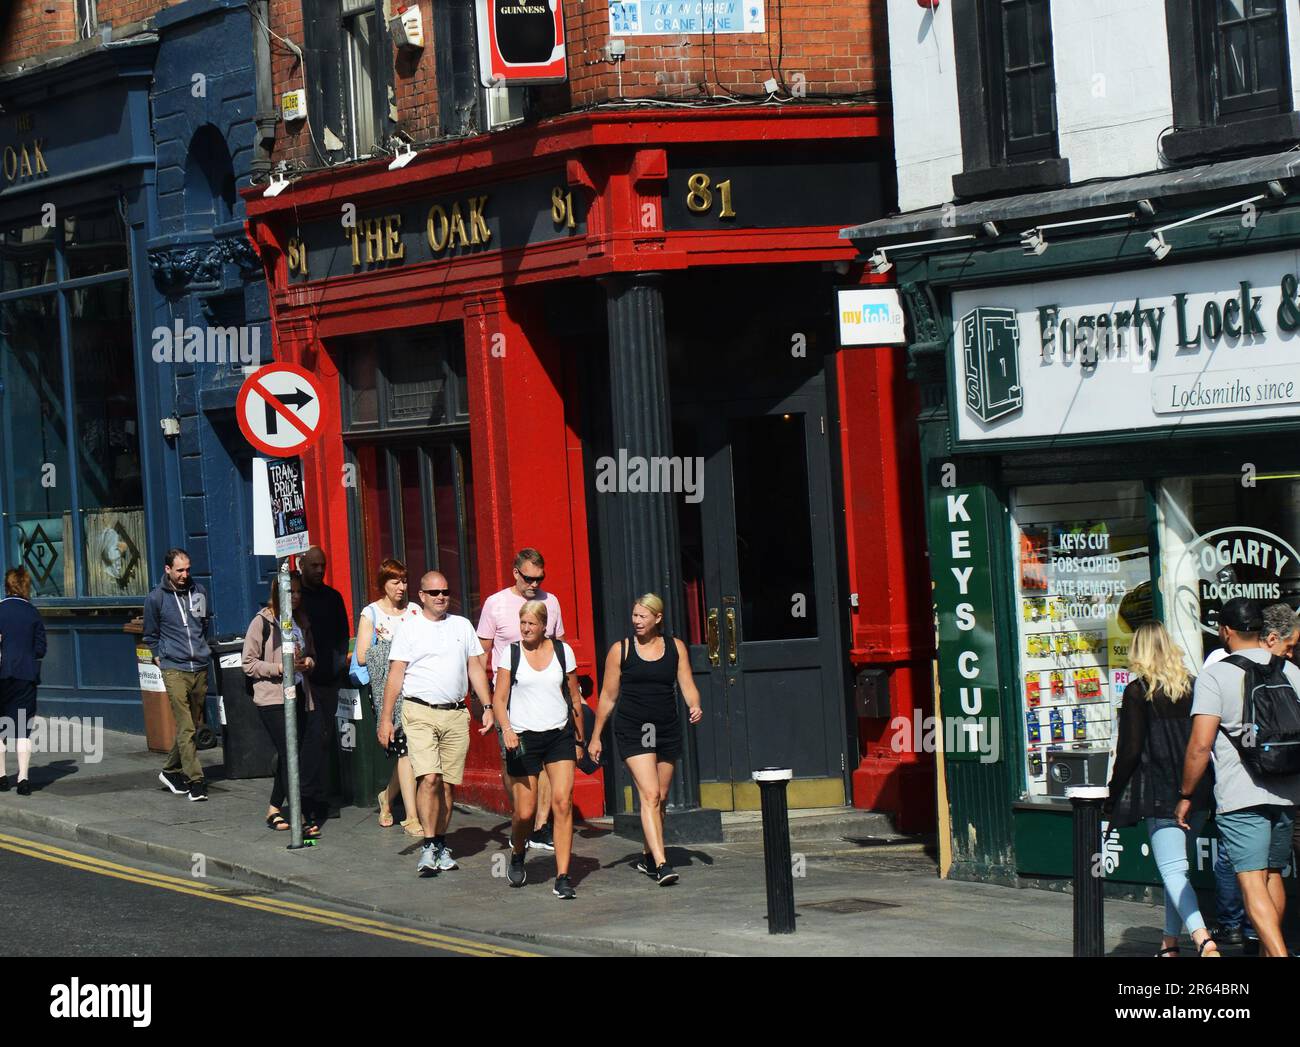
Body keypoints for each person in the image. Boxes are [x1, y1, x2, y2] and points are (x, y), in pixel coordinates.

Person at [1176, 597, 1300, 958]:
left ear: (1225, 631)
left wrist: (1186, 793)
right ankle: (1267, 952)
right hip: (1288, 790)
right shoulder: (1290, 671)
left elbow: (1200, 746)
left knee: (1250, 878)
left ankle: (1277, 955)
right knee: (1273, 873)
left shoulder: (1216, 674)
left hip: (1241, 793)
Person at [1104, 623, 1217, 957]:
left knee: (1172, 869)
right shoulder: (1195, 687)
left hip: (1160, 791)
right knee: (1178, 869)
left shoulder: (1139, 692)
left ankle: (1203, 940)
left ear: (1139, 651)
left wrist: (1113, 794)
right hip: (1197, 789)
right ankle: (1169, 943)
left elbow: (1129, 751)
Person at [379, 571, 493, 877]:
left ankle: (441, 842)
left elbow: (475, 668)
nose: (441, 596)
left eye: (445, 591)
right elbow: (396, 674)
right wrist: (386, 719)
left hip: (456, 713)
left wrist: (488, 705)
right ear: (422, 596)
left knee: (446, 784)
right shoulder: (410, 628)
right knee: (428, 778)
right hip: (420, 712)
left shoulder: (462, 625)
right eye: (434, 592)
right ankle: (429, 844)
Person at [589, 593, 703, 886]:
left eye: (642, 616)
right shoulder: (621, 650)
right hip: (633, 727)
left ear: (657, 618)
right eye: (634, 616)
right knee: (650, 795)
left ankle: (648, 857)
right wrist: (596, 736)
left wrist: (695, 705)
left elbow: (687, 684)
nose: (636, 621)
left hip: (666, 727)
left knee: (661, 798)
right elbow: (608, 696)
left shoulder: (675, 648)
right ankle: (662, 864)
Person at [493, 601, 586, 898]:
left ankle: (562, 876)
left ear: (545, 626)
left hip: (559, 734)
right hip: (522, 738)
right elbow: (499, 699)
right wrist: (506, 729)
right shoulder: (512, 653)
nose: (526, 629)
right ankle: (518, 852)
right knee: (525, 812)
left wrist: (580, 740)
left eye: (531, 624)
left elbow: (574, 697)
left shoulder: (563, 651)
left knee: (562, 803)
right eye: (522, 623)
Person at [477, 548, 566, 851]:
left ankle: (540, 826)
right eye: (528, 578)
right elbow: (483, 653)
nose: (534, 584)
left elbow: (559, 648)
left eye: (539, 578)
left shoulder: (550, 602)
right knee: (513, 757)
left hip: (544, 693)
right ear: (515, 572)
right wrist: (485, 702)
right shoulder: (496, 604)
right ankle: (523, 817)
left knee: (544, 762)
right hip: (510, 696)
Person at [242, 571, 328, 838]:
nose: (296, 597)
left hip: (301, 696)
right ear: (278, 593)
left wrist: (309, 663)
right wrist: (281, 668)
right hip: (273, 698)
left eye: (299, 592)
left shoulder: (301, 621)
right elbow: (248, 663)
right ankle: (298, 816)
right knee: (289, 753)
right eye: (290, 592)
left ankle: (273, 807)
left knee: (296, 754)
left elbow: (311, 654)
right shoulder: (263, 621)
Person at [355, 557, 422, 835]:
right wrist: (396, 650)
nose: (401, 587)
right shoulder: (371, 613)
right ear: (383, 584)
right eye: (395, 582)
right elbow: (361, 656)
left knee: (412, 751)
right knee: (405, 749)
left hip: (417, 687)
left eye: (404, 581)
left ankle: (387, 797)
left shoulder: (416, 611)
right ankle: (412, 816)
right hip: (387, 690)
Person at [142, 548, 213, 802]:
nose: (185, 575)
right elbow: (150, 633)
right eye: (180, 570)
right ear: (168, 570)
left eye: (187, 569)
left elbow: (203, 624)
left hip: (199, 667)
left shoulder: (199, 592)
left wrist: (201, 651)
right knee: (185, 726)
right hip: (174, 668)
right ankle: (196, 780)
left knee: (191, 727)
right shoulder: (156, 598)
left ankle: (170, 770)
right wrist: (160, 655)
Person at [299, 546, 350, 809]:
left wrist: (339, 667)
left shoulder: (333, 597)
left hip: (329, 679)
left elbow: (343, 635)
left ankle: (319, 793)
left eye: (323, 565)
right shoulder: (297, 599)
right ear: (301, 565)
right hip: (305, 681)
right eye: (314, 565)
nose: (319, 570)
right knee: (311, 736)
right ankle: (309, 797)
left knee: (324, 736)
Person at [0, 567, 46, 795]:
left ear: (7, 586)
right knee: (21, 730)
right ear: (26, 587)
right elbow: (41, 649)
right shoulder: (33, 614)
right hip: (25, 677)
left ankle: (0, 777)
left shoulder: (0, 609)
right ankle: (23, 779)